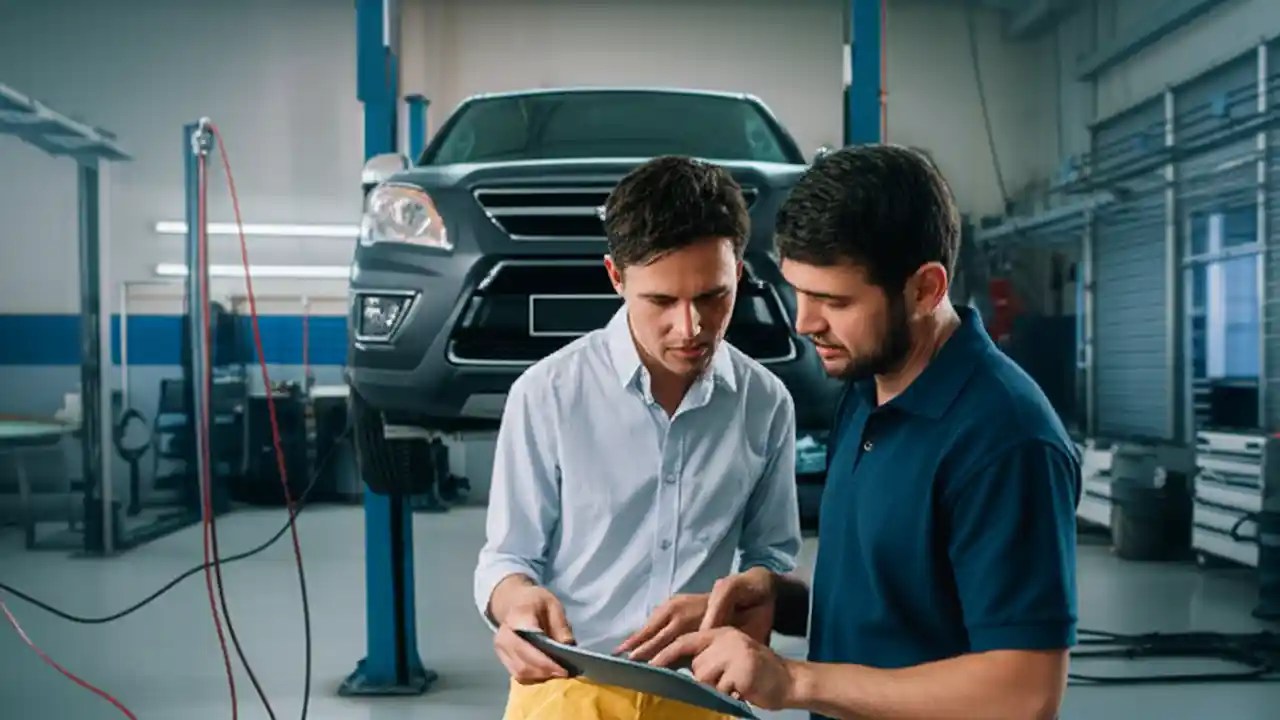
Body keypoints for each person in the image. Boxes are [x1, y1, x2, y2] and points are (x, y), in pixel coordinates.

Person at [651, 145, 1082, 720]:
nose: (805, 323)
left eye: (834, 300)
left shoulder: (1006, 440)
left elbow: (1024, 692)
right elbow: (903, 603)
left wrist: (795, 680)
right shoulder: (866, 384)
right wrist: (782, 602)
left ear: (926, 289)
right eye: (799, 292)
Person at [473, 155, 803, 720]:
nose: (690, 328)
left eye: (712, 296)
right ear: (615, 277)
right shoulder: (547, 394)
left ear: (740, 271)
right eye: (661, 301)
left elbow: (771, 554)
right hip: (569, 686)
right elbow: (508, 556)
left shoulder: (765, 403)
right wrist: (515, 604)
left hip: (700, 692)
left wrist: (734, 599)